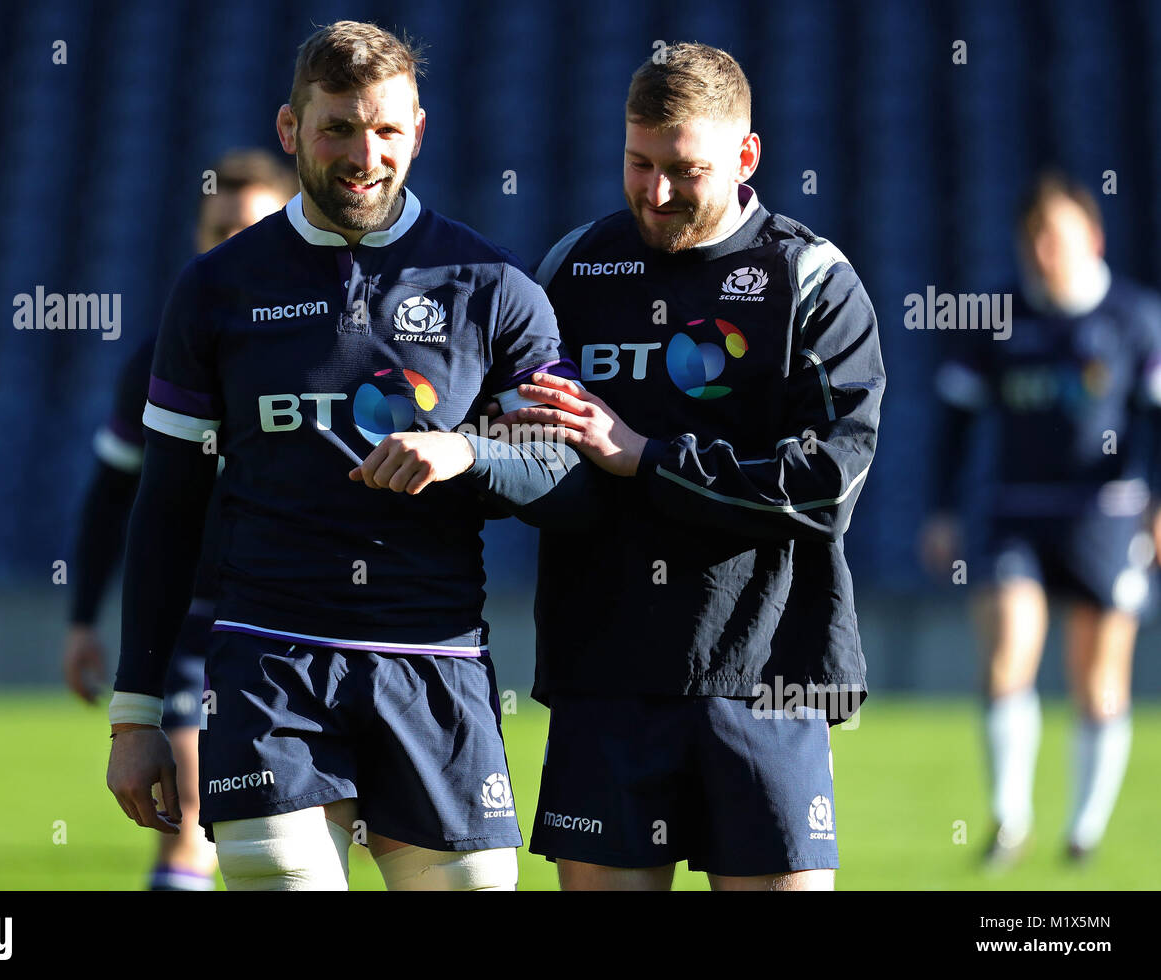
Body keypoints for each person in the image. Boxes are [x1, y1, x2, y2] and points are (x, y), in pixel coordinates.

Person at [103, 20, 580, 891]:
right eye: (339, 129)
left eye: (389, 131)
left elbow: (559, 462)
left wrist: (465, 452)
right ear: (292, 133)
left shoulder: (494, 284)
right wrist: (135, 716)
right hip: (270, 661)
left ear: (419, 131)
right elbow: (165, 508)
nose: (366, 155)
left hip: (437, 663)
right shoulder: (216, 289)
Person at [494, 42, 884, 890]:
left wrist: (646, 459)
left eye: (684, 169)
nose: (655, 192)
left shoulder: (810, 279)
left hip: (767, 675)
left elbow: (828, 486)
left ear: (746, 158)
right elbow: (524, 444)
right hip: (606, 671)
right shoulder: (573, 269)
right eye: (638, 163)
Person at [63, 149, 296, 890]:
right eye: (218, 228)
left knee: (309, 831)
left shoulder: (327, 350)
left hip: (310, 618)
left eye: (249, 229)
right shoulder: (163, 357)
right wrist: (81, 620)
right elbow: (111, 493)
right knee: (187, 815)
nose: (231, 244)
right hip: (198, 623)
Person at [922, 172, 1161, 867]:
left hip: (1105, 518)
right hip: (1016, 513)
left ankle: (1082, 834)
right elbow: (957, 419)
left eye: (1054, 235)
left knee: (1098, 679)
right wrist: (941, 509)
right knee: (1005, 660)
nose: (1042, 250)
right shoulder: (995, 315)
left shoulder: (1134, 317)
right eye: (1032, 237)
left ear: (1092, 238)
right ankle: (1008, 822)